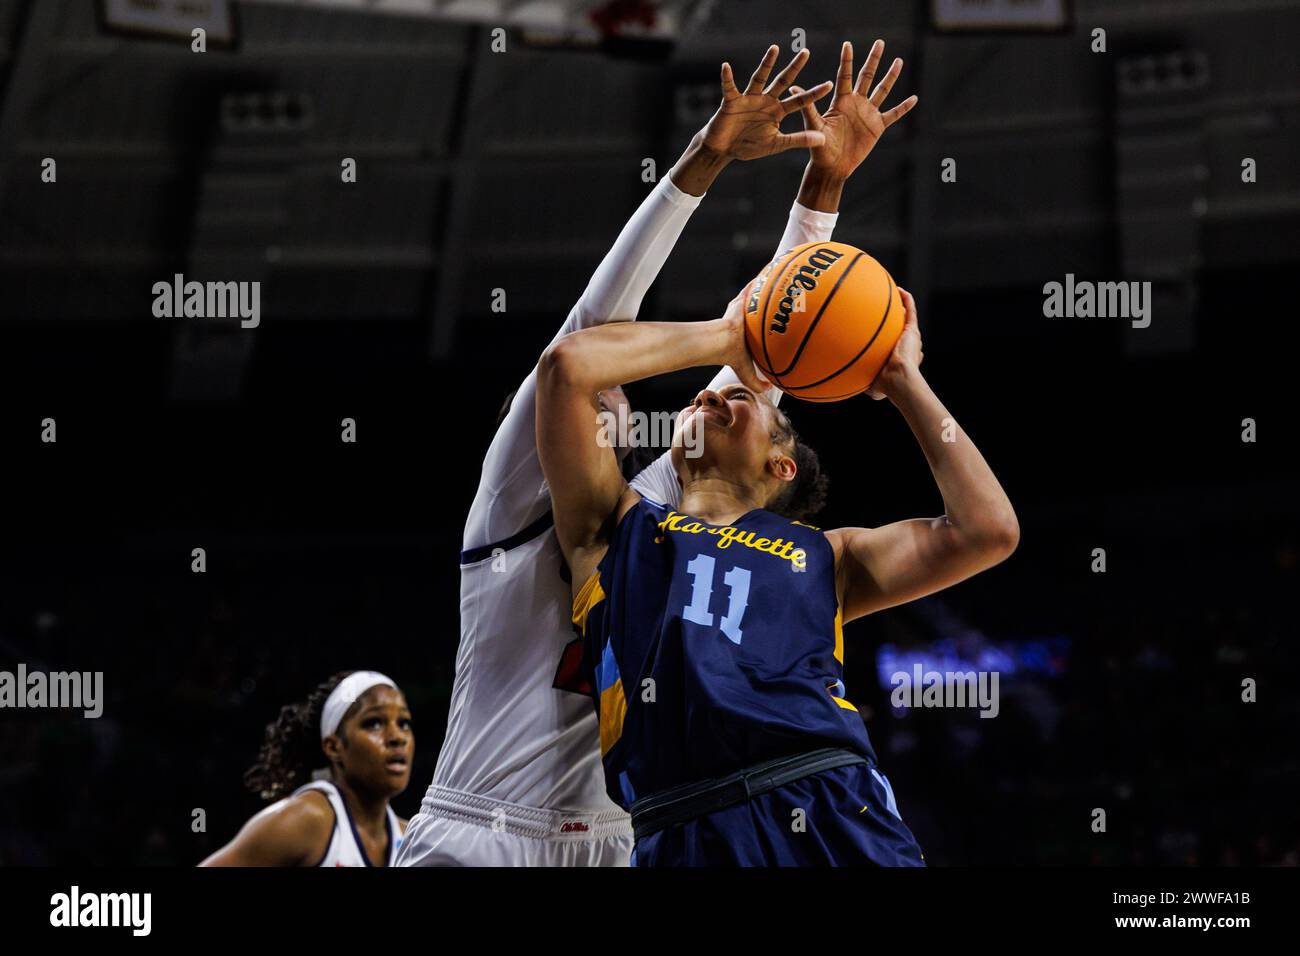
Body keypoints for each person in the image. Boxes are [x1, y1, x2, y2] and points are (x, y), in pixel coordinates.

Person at [398, 40, 912, 867]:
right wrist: (702, 158)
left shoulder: (649, 513)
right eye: (597, 393)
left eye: (619, 395)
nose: (617, 394)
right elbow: (593, 325)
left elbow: (769, 355)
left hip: (622, 839)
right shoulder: (515, 499)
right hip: (484, 831)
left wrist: (826, 181)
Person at [533, 47, 1016, 865]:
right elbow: (567, 367)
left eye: (738, 398)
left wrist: (901, 378)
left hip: (829, 801)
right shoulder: (610, 531)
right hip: (682, 826)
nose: (711, 394)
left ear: (781, 467)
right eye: (705, 396)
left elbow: (988, 531)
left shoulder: (828, 559)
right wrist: (733, 334)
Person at [200, 671, 413, 867]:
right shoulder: (309, 819)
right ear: (333, 747)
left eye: (404, 723)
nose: (397, 737)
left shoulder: (411, 839)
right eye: (374, 723)